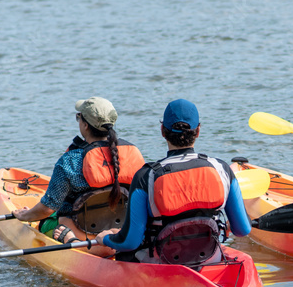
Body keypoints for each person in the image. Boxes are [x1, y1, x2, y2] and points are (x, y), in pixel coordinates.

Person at [96, 99, 252, 265]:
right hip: (210, 258)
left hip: (160, 263)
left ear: (163, 131)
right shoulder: (222, 169)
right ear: (198, 131)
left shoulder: (146, 176)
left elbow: (129, 242)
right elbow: (242, 230)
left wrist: (106, 239)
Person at [14, 97, 145, 254]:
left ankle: (68, 238)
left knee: (46, 221)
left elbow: (47, 209)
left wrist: (25, 216)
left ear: (85, 125)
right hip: (119, 233)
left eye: (79, 117)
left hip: (78, 238)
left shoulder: (70, 161)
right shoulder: (131, 154)